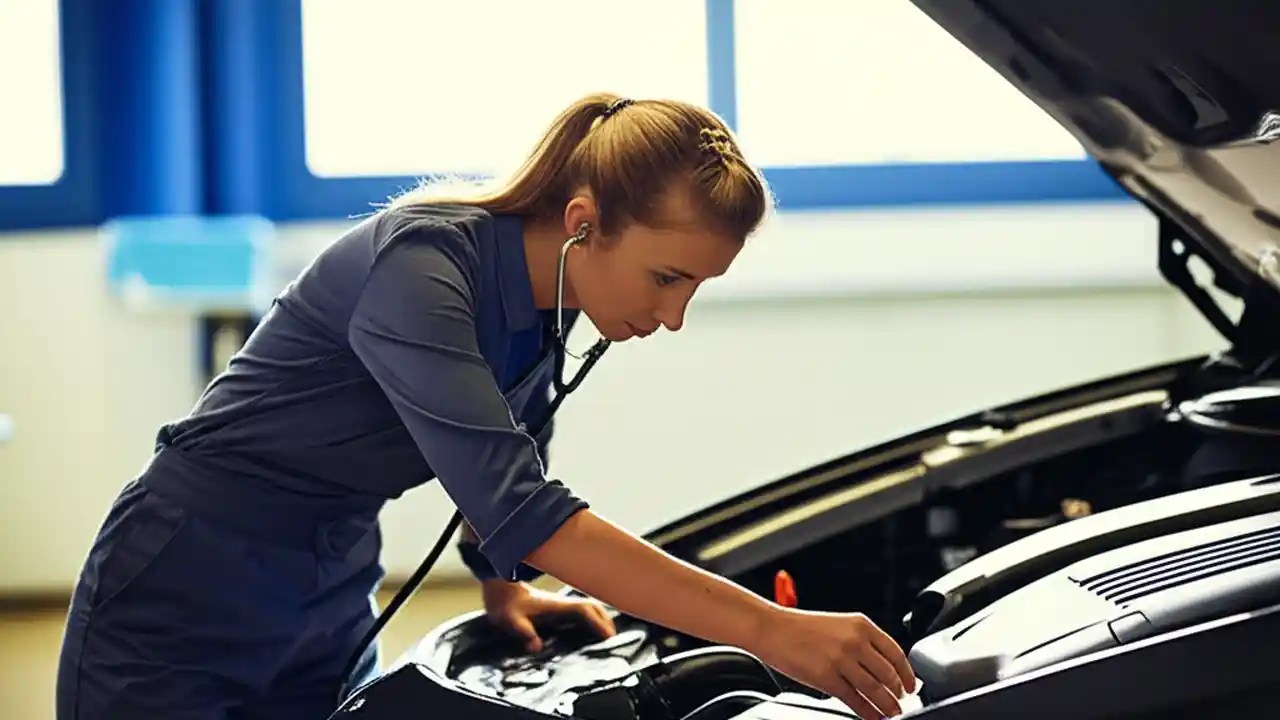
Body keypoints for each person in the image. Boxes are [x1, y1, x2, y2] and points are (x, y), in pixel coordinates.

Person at [56, 92, 916, 720]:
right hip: (187, 579)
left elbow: (501, 460)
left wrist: (503, 590)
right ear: (583, 221)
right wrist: (770, 630)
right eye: (667, 278)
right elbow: (526, 508)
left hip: (328, 586)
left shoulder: (550, 308)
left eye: (695, 287)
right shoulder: (421, 264)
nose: (672, 316)